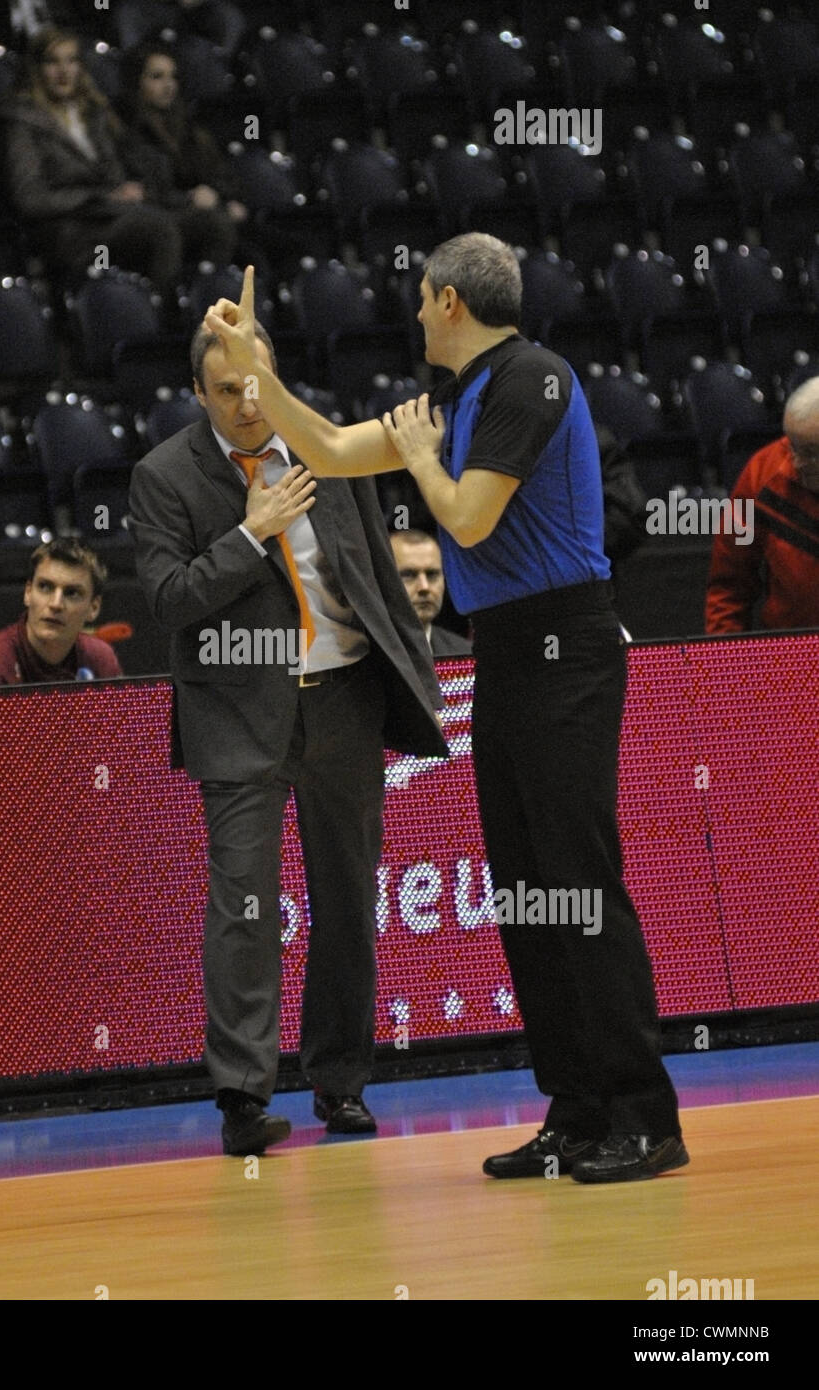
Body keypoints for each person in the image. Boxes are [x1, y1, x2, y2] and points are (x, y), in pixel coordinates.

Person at [204, 237, 687, 1183]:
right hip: (510, 647)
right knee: (526, 886)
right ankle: (579, 1109)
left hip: (566, 643)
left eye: (423, 300)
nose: (415, 314)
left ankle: (644, 1115)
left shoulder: (533, 378)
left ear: (454, 302)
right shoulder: (458, 398)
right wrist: (260, 369)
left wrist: (423, 460)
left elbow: (465, 518)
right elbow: (336, 451)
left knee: (577, 881)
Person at [128, 319, 447, 1156]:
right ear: (198, 395)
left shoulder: (328, 448)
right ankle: (242, 1098)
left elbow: (378, 568)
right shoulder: (164, 476)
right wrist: (249, 532)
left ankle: (340, 1086)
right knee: (244, 909)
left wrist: (410, 672)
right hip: (237, 713)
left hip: (343, 701)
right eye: (225, 391)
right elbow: (165, 598)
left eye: (255, 385)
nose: (244, 403)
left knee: (347, 904)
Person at [0, 26, 182, 288]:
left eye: (71, 60)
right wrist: (99, 197)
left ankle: (211, 317)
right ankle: (157, 313)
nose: (64, 71)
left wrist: (123, 191)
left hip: (111, 215)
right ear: (36, 68)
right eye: (53, 61)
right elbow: (30, 199)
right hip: (69, 230)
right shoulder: (22, 120)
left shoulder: (91, 111)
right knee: (160, 229)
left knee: (209, 222)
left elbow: (115, 172)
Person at [705, 377, 819, 633]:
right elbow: (729, 586)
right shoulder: (762, 474)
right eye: (793, 445)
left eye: (811, 451)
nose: (797, 461)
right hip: (792, 653)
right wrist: (727, 657)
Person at [118, 41, 246, 271]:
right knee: (217, 224)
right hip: (159, 216)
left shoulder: (187, 126)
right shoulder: (125, 130)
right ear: (137, 81)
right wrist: (190, 198)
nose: (169, 86)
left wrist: (217, 195)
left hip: (192, 210)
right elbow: (141, 191)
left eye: (173, 77)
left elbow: (224, 175)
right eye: (157, 77)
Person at [0, 539, 123, 689]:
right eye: (45, 587)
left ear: (93, 608)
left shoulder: (100, 660)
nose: (55, 604)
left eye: (72, 593)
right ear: (28, 593)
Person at [389, 529, 472, 658]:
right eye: (408, 575)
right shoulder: (359, 654)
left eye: (432, 574)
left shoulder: (466, 653)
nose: (424, 587)